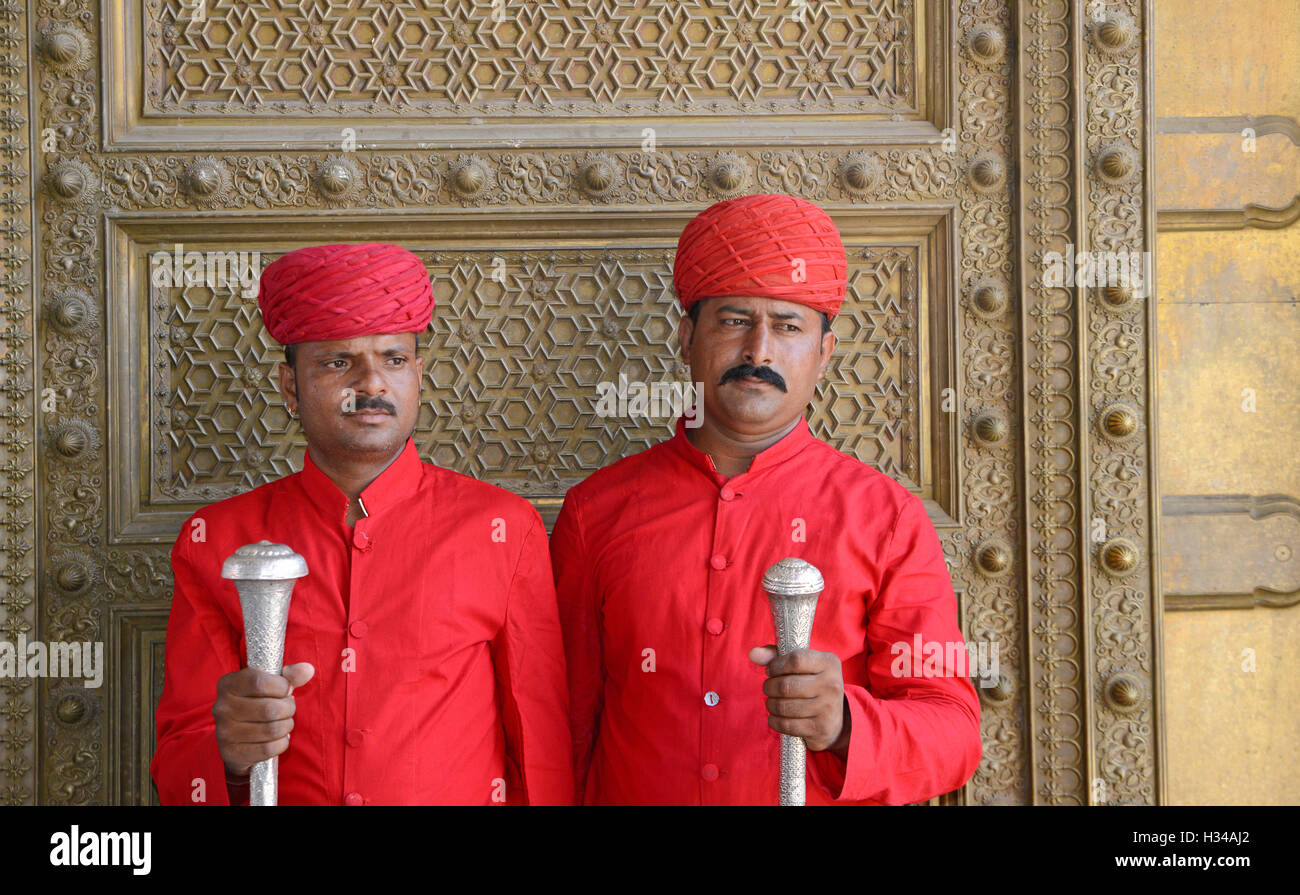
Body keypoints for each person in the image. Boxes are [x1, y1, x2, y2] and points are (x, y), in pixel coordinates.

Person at [551, 194, 982, 805]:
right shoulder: (598, 511)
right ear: (686, 336)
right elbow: (562, 722)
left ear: (824, 353)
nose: (758, 350)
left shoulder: (885, 518)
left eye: (787, 326)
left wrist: (842, 724)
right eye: (732, 320)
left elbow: (954, 735)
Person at [150, 243, 572, 805]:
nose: (371, 384)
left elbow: (537, 740)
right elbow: (183, 749)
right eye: (337, 362)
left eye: (393, 360)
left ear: (418, 375)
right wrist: (229, 754)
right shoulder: (220, 542)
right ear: (288, 386)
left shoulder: (501, 527)